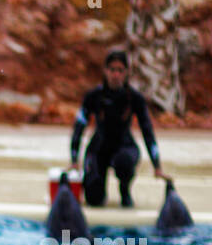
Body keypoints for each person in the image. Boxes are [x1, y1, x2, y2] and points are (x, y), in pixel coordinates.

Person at [69, 49, 165, 208]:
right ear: (105, 71)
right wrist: (74, 160)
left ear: (126, 73)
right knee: (94, 199)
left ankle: (125, 189)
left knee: (124, 162)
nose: (116, 75)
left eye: (120, 70)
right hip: (99, 148)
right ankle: (97, 187)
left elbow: (147, 131)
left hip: (124, 146)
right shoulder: (93, 96)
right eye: (112, 70)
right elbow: (78, 129)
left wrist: (157, 166)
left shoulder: (135, 98)